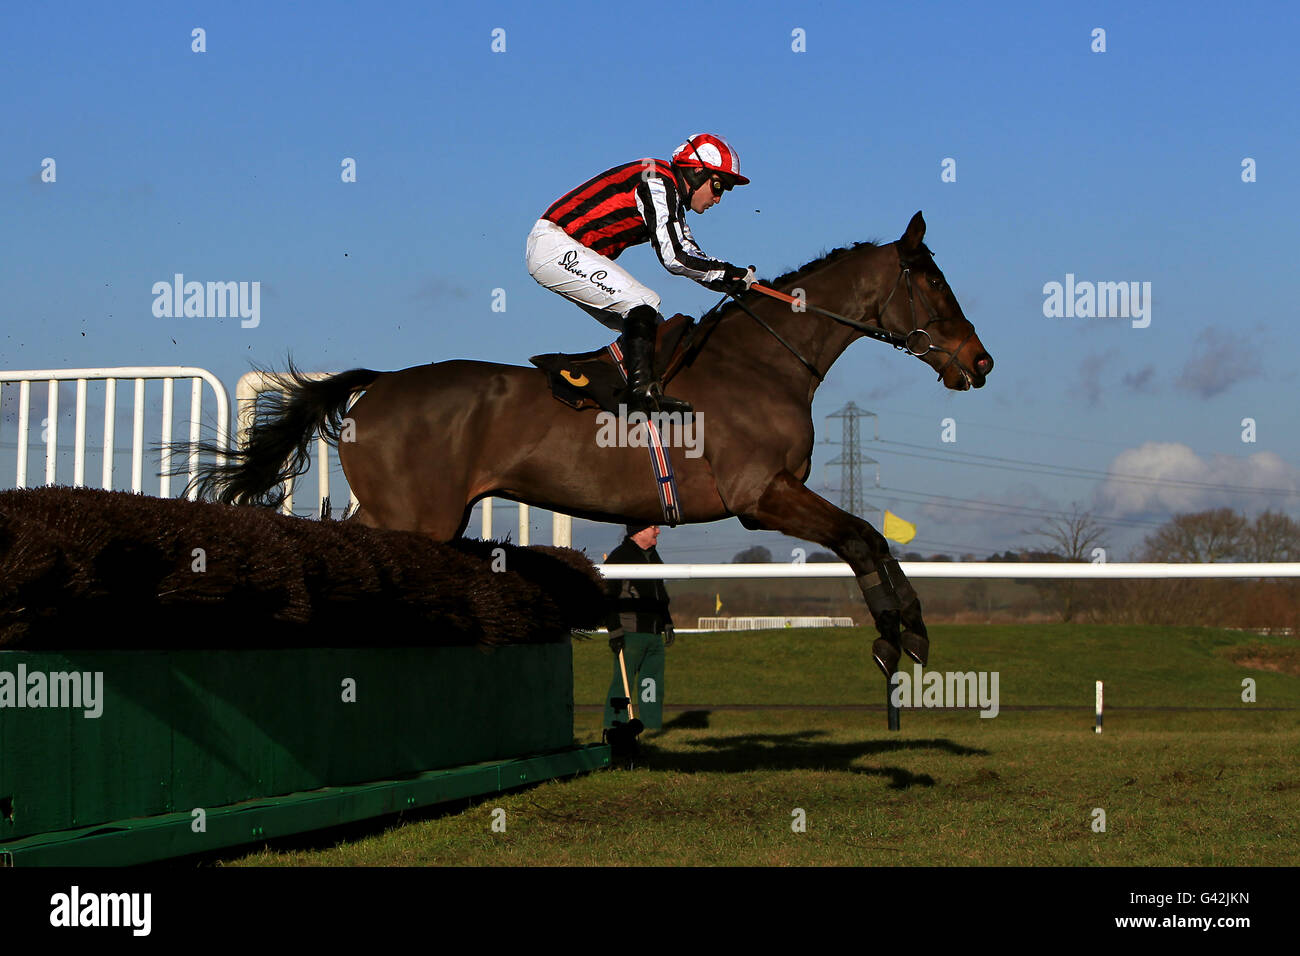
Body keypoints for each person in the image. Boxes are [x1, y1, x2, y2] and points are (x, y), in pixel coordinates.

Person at [526, 134, 756, 415]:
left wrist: (729, 277)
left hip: (563, 248)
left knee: (655, 333)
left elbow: (689, 251)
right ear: (697, 172)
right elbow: (675, 257)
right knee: (643, 303)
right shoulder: (658, 182)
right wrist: (729, 275)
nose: (718, 199)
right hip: (554, 245)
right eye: (719, 186)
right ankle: (639, 396)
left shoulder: (668, 190)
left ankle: (607, 389)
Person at [603, 522, 675, 732]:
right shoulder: (619, 557)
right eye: (654, 527)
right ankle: (614, 726)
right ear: (639, 531)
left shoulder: (654, 556)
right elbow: (607, 598)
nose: (658, 531)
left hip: (653, 635)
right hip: (629, 634)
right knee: (621, 684)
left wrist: (667, 621)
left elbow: (660, 593)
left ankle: (651, 727)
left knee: (652, 684)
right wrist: (615, 631)